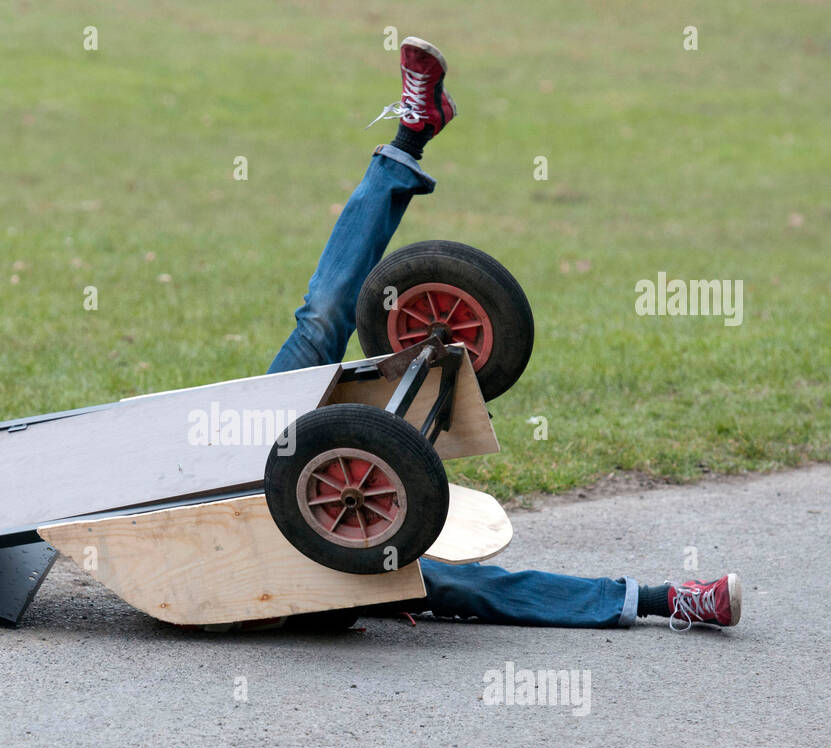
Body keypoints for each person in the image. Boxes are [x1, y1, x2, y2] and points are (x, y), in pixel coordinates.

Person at [267, 37, 740, 631]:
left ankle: (412, 131)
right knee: (460, 584)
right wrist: (362, 598)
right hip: (311, 554)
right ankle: (665, 598)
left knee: (322, 315)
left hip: (249, 448)